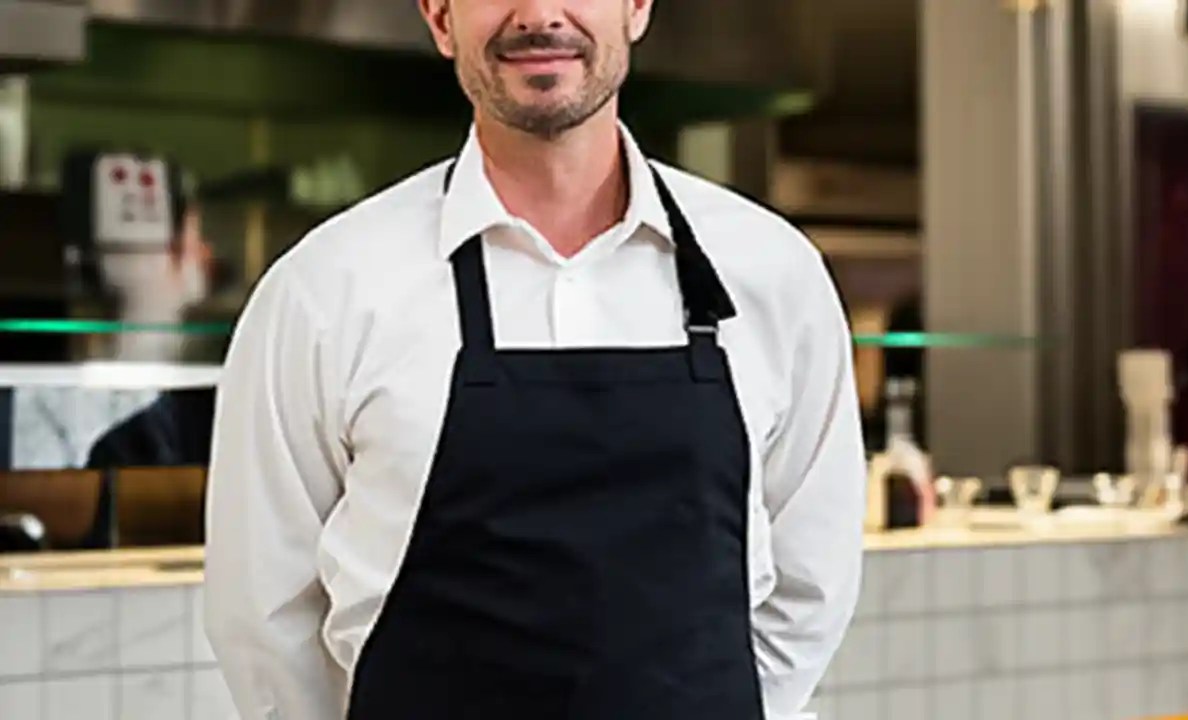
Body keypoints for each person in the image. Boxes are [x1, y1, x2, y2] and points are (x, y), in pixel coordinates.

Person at [203, 1, 866, 718]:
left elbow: (811, 586)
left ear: (637, 5)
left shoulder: (771, 273)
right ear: (438, 14)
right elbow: (266, 612)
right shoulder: (325, 290)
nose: (540, 14)